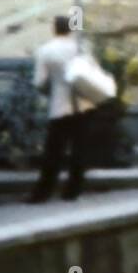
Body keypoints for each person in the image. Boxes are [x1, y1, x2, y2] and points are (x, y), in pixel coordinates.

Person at [26, 16, 95, 203]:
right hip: (82, 105)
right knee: (79, 150)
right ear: (70, 29)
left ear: (53, 29)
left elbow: (39, 82)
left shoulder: (45, 50)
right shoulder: (82, 49)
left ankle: (43, 192)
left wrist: (51, 90)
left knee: (53, 150)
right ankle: (73, 190)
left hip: (59, 104)